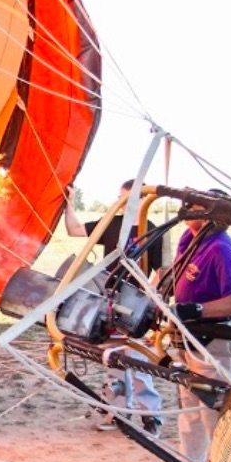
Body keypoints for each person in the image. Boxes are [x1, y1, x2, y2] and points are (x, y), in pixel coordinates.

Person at [151, 207, 231, 462]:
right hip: (188, 336)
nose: (187, 209)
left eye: (196, 206)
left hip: (212, 338)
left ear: (211, 216)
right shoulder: (189, 238)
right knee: (191, 408)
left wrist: (196, 309)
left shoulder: (220, 248)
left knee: (214, 410)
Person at [62, 181, 163, 435]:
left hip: (136, 305)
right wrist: (69, 203)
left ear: (142, 201)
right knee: (113, 360)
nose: (123, 204)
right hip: (109, 302)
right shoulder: (112, 225)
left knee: (139, 361)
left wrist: (148, 301)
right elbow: (74, 230)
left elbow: (161, 271)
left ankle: (151, 417)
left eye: (129, 199)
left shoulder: (152, 231)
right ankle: (116, 413)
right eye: (120, 199)